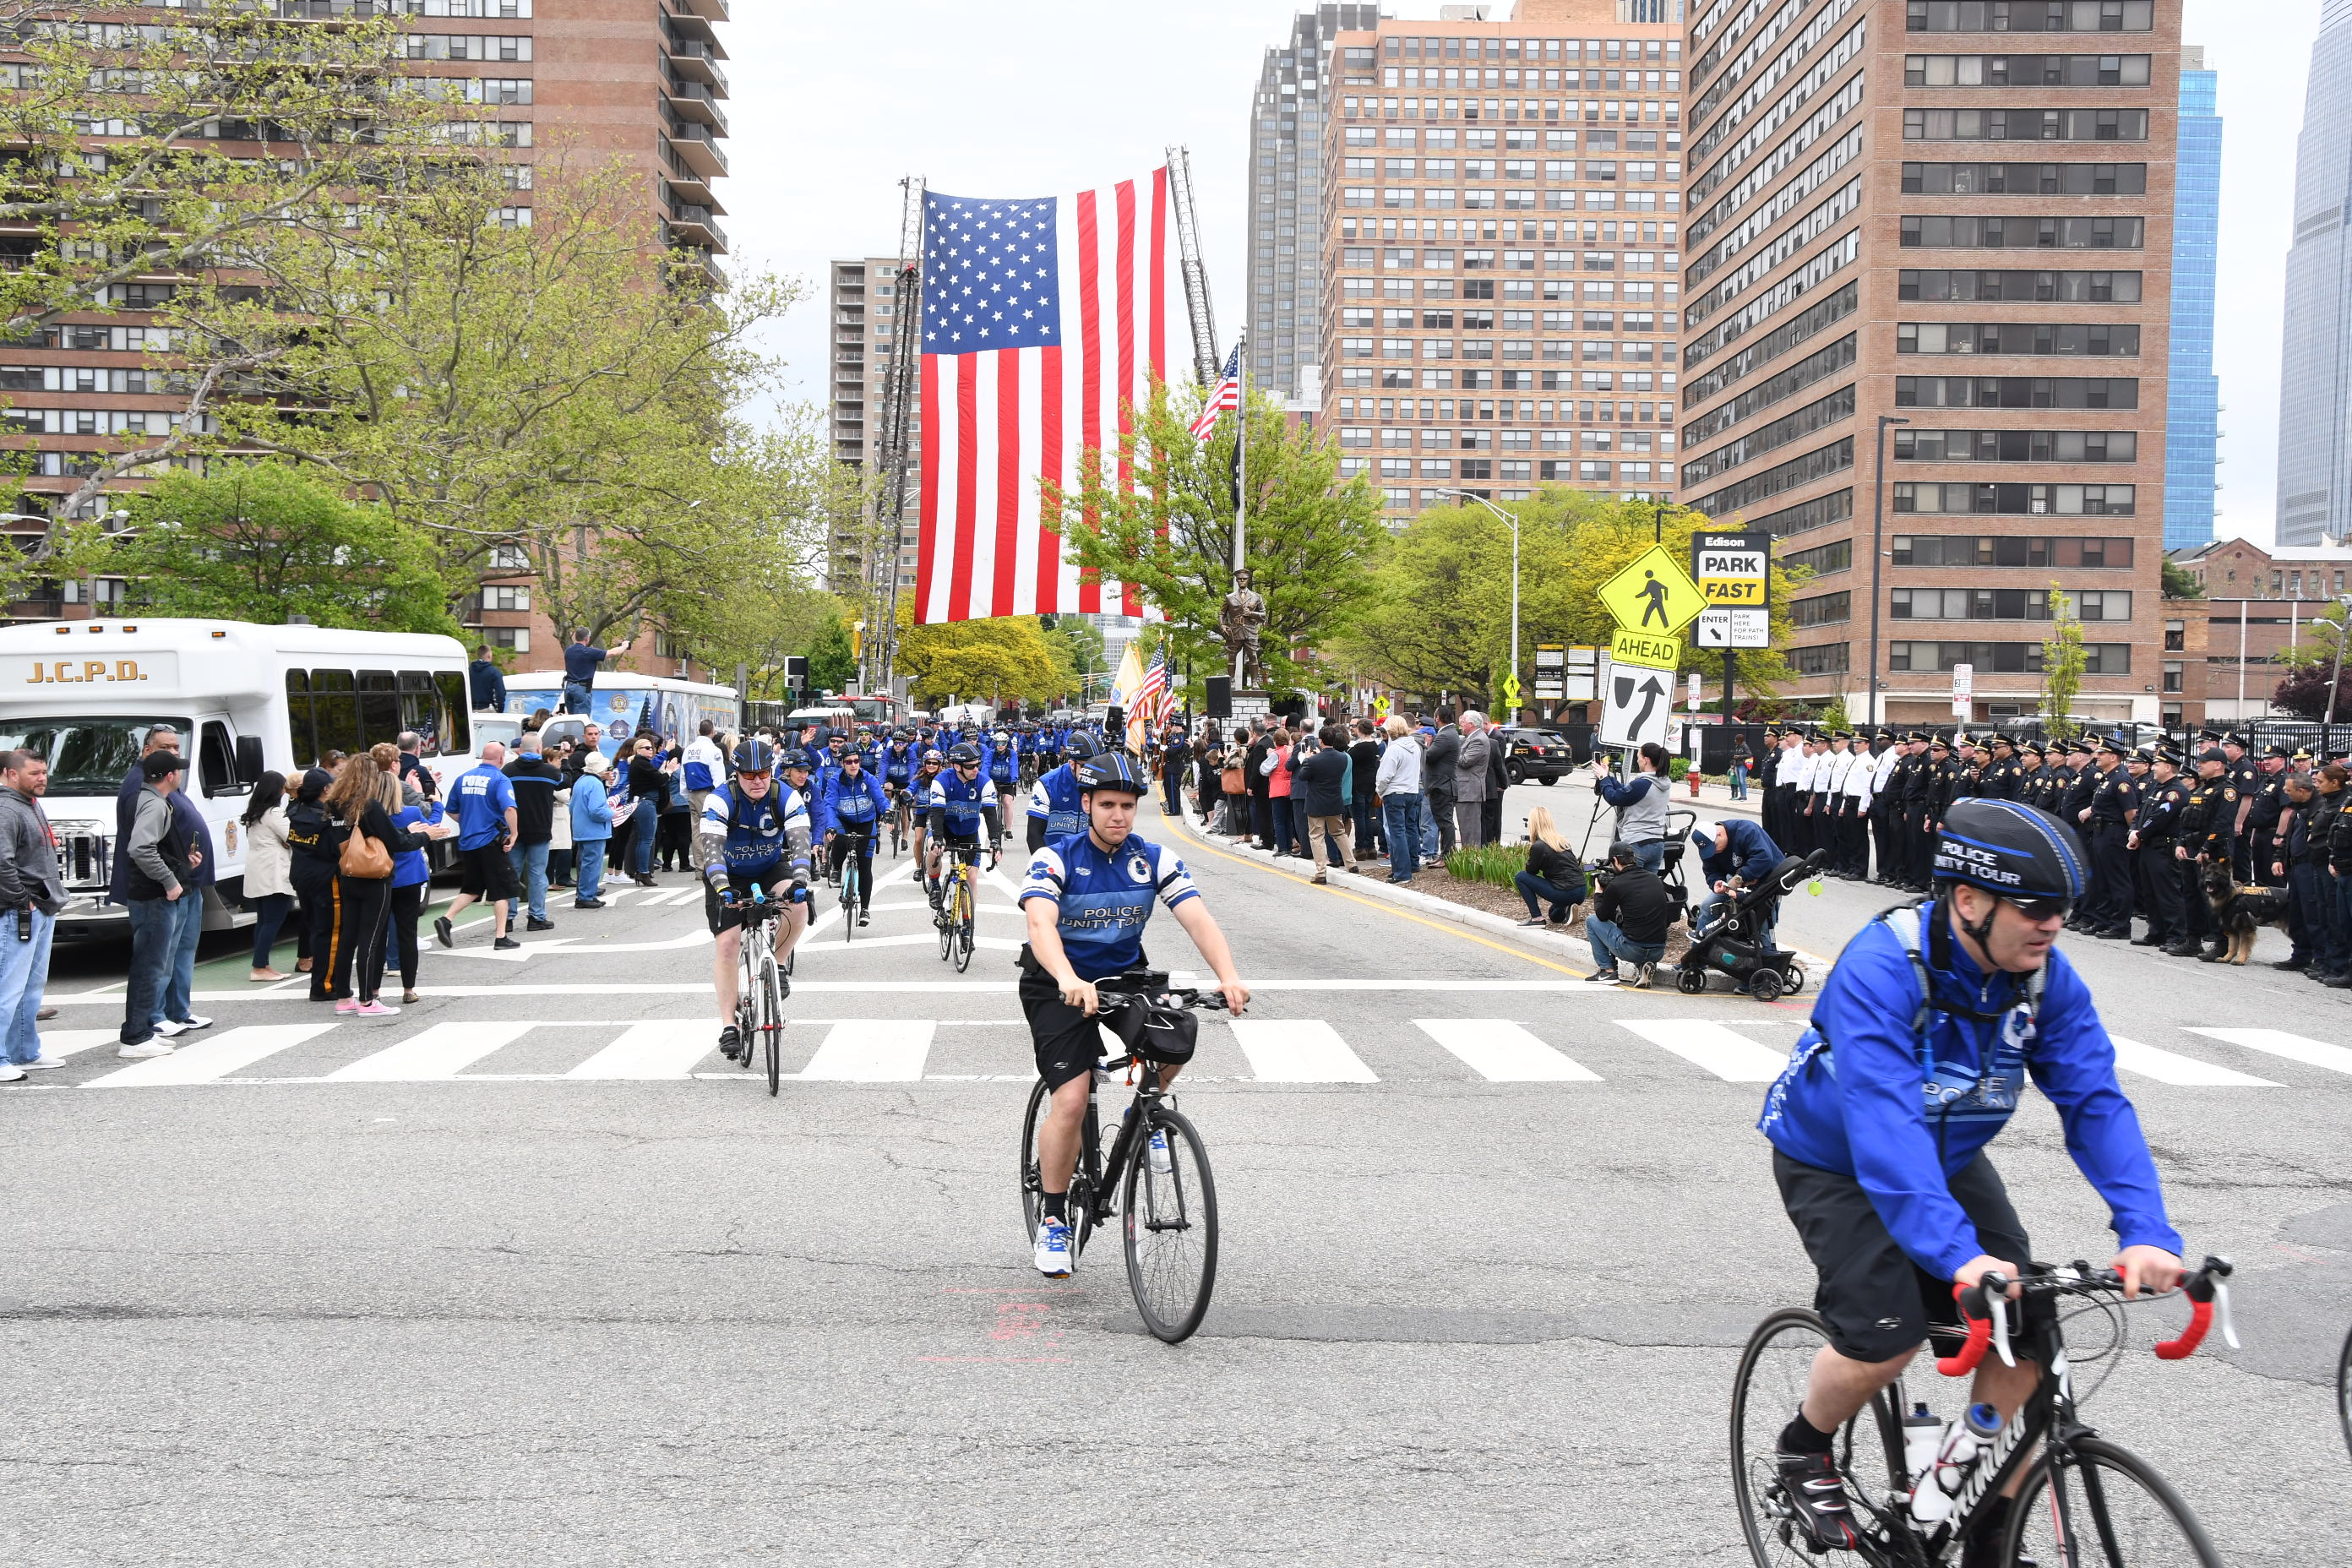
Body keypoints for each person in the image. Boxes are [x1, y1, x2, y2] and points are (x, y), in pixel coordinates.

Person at [1754, 798, 2186, 1561]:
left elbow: (2095, 1104)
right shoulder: (1883, 966)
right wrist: (1959, 1259)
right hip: (1840, 1158)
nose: (2054, 925)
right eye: (2036, 908)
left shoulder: (2046, 981)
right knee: (1886, 1340)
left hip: (1947, 1157)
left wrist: (2146, 1229)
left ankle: (1980, 1512)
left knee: (2026, 1333)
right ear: (1968, 900)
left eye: (2064, 910)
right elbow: (1885, 1133)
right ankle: (1803, 1446)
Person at [1017, 750, 1250, 1278]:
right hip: (1057, 985)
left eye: (1127, 805)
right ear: (1086, 805)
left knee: (1176, 1034)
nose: (1118, 815)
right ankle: (1055, 1218)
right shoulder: (1054, 859)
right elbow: (1041, 927)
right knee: (1072, 1100)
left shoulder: (1153, 858)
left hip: (1123, 980)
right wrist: (1068, 979)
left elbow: (1197, 918)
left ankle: (1143, 1115)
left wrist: (1228, 975)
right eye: (1107, 805)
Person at [700, 738, 814, 1061]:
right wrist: (722, 888)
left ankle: (777, 963)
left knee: (798, 903)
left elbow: (800, 843)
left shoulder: (785, 796)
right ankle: (728, 1026)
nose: (758, 781)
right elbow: (711, 850)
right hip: (728, 874)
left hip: (768, 868)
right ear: (737, 775)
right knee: (727, 944)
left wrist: (801, 880)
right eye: (749, 776)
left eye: (763, 773)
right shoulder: (720, 799)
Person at [118, 751, 201, 1058]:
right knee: (149, 966)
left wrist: (182, 864)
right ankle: (135, 1036)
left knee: (151, 965)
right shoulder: (154, 803)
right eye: (177, 771)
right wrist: (171, 881)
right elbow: (141, 848)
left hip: (148, 892)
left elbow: (150, 847)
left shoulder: (144, 798)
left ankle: (141, 1031)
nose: (180, 775)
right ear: (170, 776)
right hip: (153, 896)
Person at [0, 749, 65, 1076]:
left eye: (44, 772)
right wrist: (20, 900)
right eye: (34, 773)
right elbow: (1, 860)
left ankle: (25, 1051)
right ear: (12, 774)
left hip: (39, 907)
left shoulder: (28, 803)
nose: (43, 778)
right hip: (20, 911)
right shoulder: (6, 808)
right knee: (7, 986)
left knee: (30, 987)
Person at [435, 741, 520, 952]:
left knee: (473, 887)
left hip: (468, 842)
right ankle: (501, 936)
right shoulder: (500, 779)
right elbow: (509, 808)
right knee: (502, 889)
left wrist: (468, 822)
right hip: (490, 841)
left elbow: (450, 810)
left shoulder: (463, 778)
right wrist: (514, 833)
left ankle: (447, 919)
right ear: (501, 759)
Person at [383, 756, 446, 1006]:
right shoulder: (410, 811)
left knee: (378, 931)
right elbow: (432, 824)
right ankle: (408, 988)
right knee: (408, 932)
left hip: (380, 875)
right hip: (409, 876)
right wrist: (433, 800)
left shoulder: (372, 816)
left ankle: (374, 992)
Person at [1581, 840, 1675, 988]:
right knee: (1638, 926)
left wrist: (1599, 893)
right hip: (1658, 950)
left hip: (1632, 950)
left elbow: (1601, 916)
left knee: (1591, 921)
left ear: (1615, 860)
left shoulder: (1617, 885)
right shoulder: (1654, 879)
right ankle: (1643, 968)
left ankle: (1607, 971)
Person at [285, 768, 343, 999]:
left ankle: (322, 982)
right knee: (331, 932)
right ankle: (325, 985)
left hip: (302, 875)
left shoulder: (296, 811)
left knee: (316, 930)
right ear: (326, 789)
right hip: (326, 878)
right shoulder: (325, 818)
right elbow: (334, 849)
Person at [924, 743, 1004, 911]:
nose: (976, 769)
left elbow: (991, 815)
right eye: (971, 766)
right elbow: (936, 814)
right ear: (957, 766)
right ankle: (934, 884)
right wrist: (938, 840)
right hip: (945, 828)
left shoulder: (985, 782)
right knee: (933, 846)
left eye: (978, 765)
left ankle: (968, 926)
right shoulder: (941, 781)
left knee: (971, 878)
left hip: (968, 832)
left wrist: (995, 841)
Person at [1690, 816, 1785, 947]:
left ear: (1719, 833)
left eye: (1715, 846)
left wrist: (1740, 878)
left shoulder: (1746, 830)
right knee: (1708, 907)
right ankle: (1697, 957)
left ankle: (1766, 957)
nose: (1714, 851)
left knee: (1761, 923)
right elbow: (1711, 870)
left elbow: (1763, 857)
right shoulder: (1709, 846)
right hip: (1736, 881)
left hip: (1767, 878)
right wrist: (1716, 882)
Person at [819, 744, 888, 925]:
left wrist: (887, 810)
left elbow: (880, 799)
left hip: (866, 822)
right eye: (849, 762)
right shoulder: (835, 781)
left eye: (856, 760)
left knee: (865, 866)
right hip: (844, 821)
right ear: (842, 763)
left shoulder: (869, 779)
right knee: (840, 840)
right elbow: (829, 806)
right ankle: (835, 867)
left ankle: (865, 909)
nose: (853, 765)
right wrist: (831, 826)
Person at [238, 771, 296, 982]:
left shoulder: (255, 813)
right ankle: (259, 966)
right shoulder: (274, 813)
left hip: (257, 870)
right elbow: (292, 837)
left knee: (264, 920)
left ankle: (263, 964)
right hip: (273, 871)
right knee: (274, 919)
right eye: (282, 787)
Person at [503, 732, 562, 933]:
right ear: (539, 748)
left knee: (512, 873)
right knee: (538, 874)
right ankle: (536, 917)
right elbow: (566, 780)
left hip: (514, 830)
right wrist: (565, 758)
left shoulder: (508, 770)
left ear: (519, 749)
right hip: (540, 829)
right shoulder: (549, 772)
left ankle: (507, 918)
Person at [1593, 743, 1673, 874]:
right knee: (1647, 889)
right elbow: (1626, 794)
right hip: (1657, 844)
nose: (1638, 760)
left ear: (1646, 760)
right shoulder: (1663, 782)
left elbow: (1615, 798)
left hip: (1638, 843)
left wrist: (1602, 778)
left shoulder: (1643, 783)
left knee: (1630, 887)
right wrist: (1608, 777)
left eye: (1639, 757)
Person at [1296, 722, 1354, 885]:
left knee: (1316, 836)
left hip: (1316, 803)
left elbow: (1302, 776)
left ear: (1320, 741)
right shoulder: (1343, 758)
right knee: (1339, 833)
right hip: (1335, 801)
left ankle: (1321, 872)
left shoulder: (1313, 761)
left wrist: (1306, 759)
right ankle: (1351, 863)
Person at [1513, 804, 1587, 928]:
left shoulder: (1539, 846)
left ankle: (1536, 918)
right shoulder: (1562, 841)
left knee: (1520, 876)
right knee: (1554, 915)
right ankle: (1569, 907)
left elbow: (1531, 871)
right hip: (1581, 891)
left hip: (1565, 891)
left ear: (1533, 824)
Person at [1374, 714, 1424, 884]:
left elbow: (1384, 776)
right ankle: (1410, 864)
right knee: (1409, 828)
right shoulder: (1415, 746)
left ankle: (1401, 873)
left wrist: (1379, 791)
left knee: (1397, 833)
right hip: (1411, 791)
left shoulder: (1394, 749)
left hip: (1395, 793)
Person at [569, 749, 615, 908]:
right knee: (593, 864)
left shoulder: (581, 781)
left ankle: (586, 893)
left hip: (581, 828)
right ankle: (586, 895)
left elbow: (572, 806)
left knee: (586, 862)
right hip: (594, 830)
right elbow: (597, 810)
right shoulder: (595, 784)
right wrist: (612, 813)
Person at [560, 627, 628, 715]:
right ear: (587, 639)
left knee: (572, 719)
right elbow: (613, 653)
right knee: (581, 719)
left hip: (568, 688)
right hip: (581, 689)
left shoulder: (568, 651)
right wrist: (624, 646)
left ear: (576, 637)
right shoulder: (588, 652)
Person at [1453, 710, 1493, 849]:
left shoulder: (1479, 739)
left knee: (1470, 832)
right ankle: (1469, 858)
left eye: (1463, 723)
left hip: (1469, 791)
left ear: (1471, 724)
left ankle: (1472, 862)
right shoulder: (1472, 737)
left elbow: (1465, 761)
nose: (1461, 726)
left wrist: (1451, 752)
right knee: (1466, 830)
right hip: (1466, 791)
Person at [1424, 708, 1461, 858]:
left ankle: (1447, 856)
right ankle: (1445, 855)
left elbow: (1430, 756)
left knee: (1445, 822)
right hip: (1444, 784)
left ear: (1437, 718)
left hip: (1442, 786)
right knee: (1444, 822)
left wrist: (1427, 745)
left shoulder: (1445, 736)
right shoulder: (1451, 733)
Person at [467, 645, 506, 713]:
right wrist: (500, 710)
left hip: (470, 711)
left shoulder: (468, 671)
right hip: (488, 710)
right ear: (489, 656)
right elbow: (500, 694)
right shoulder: (494, 672)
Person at [1729, 735, 1752, 802]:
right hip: (1737, 764)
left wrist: (1739, 756)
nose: (1735, 741)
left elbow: (1749, 754)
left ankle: (1744, 796)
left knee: (1742, 781)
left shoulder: (1745, 746)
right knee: (1739, 781)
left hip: (1743, 765)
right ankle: (1741, 796)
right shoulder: (1737, 746)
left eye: (1736, 739)